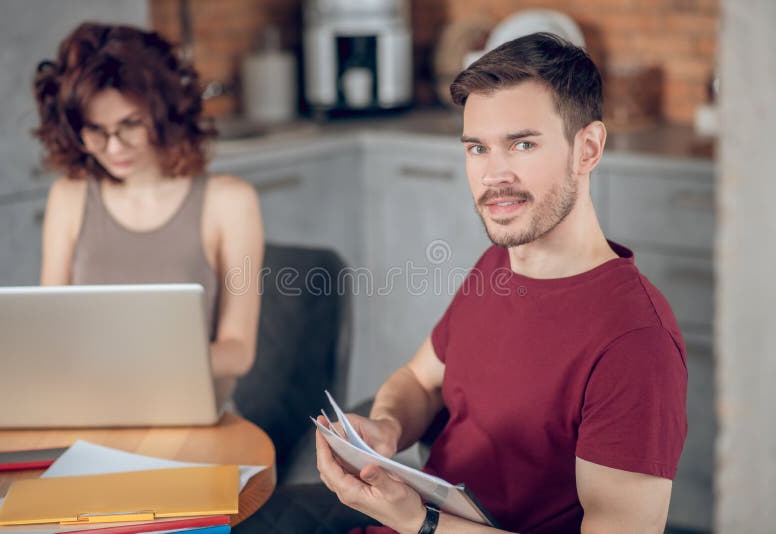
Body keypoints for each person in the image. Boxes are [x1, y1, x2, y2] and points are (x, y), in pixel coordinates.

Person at [237, 32, 687, 533]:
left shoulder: (635, 342)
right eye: (477, 148)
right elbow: (420, 380)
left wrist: (421, 522)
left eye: (522, 144)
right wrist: (386, 428)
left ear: (588, 148)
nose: (494, 175)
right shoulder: (498, 264)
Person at [34, 23, 264, 393]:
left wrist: (130, 365)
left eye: (130, 125)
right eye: (96, 130)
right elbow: (50, 330)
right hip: (90, 402)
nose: (113, 147)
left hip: (191, 408)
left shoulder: (230, 201)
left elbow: (238, 352)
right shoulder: (68, 197)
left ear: (165, 114)